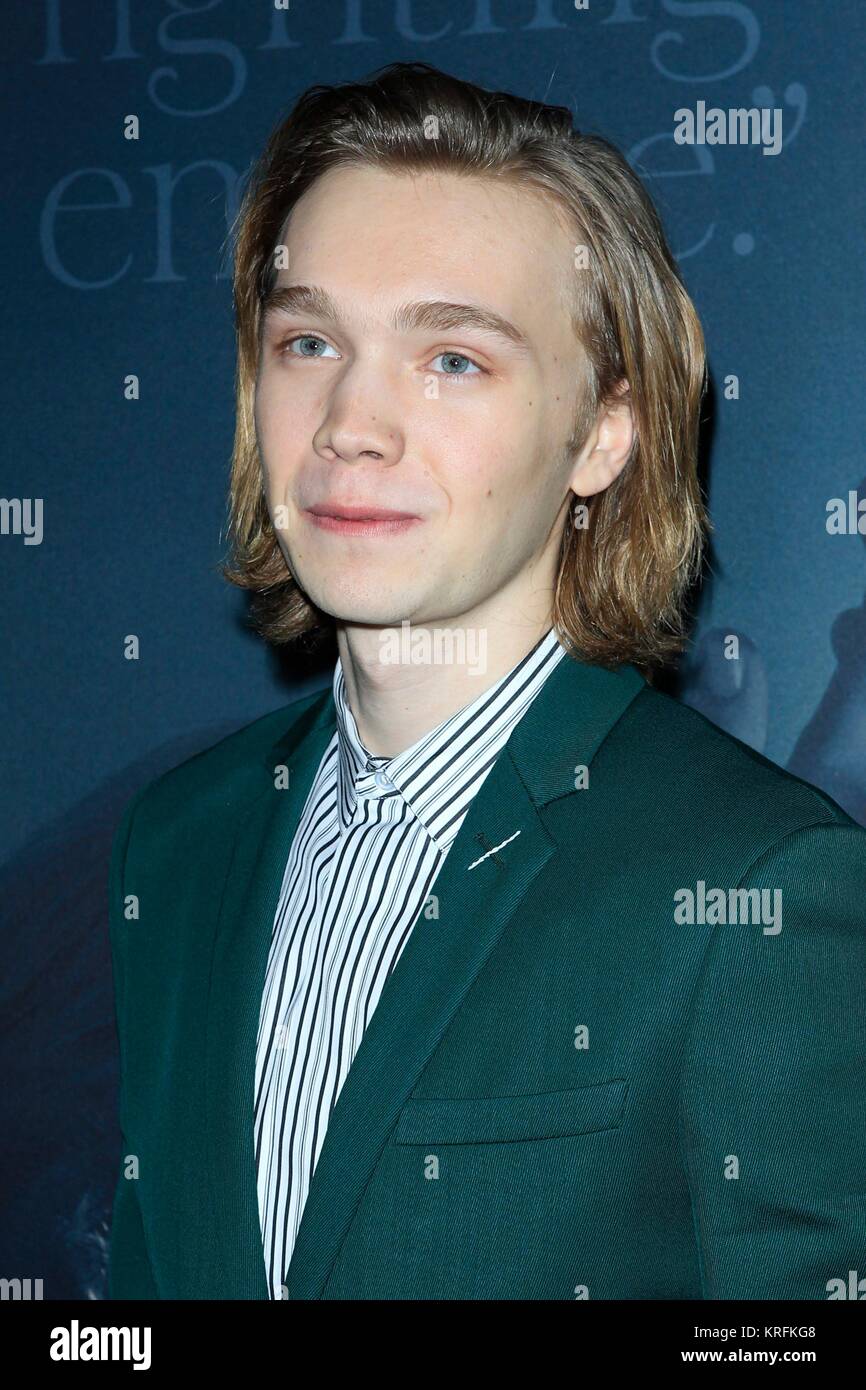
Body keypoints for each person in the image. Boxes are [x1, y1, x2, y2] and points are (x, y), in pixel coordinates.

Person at [107, 61, 866, 1301]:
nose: (351, 418)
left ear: (602, 433)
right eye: (309, 340)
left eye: (452, 358)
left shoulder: (759, 887)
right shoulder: (176, 844)